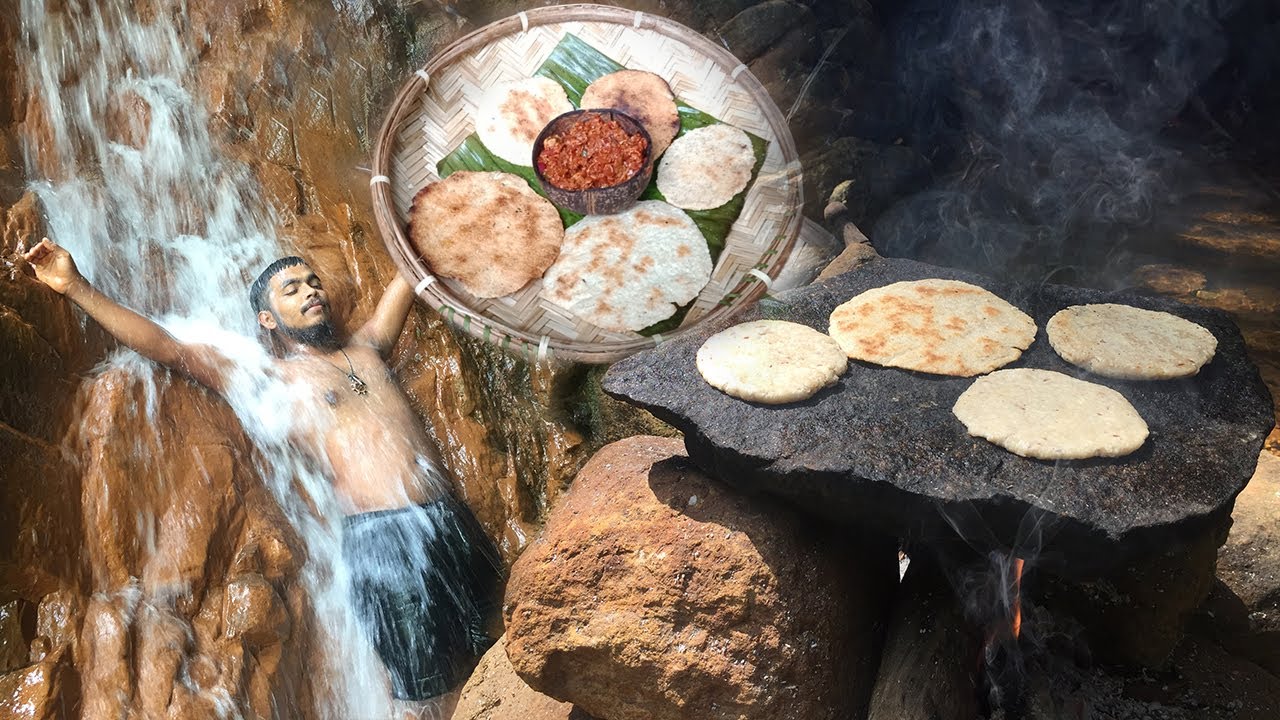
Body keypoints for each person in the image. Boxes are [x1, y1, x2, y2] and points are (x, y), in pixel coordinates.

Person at [22, 237, 499, 718]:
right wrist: (75, 285)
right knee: (430, 693)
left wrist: (441, 223)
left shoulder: (369, 346)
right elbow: (170, 348)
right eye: (291, 289)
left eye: (313, 282)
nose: (311, 291)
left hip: (447, 518)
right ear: (267, 319)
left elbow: (411, 275)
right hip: (383, 541)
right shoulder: (270, 380)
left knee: (498, 643)